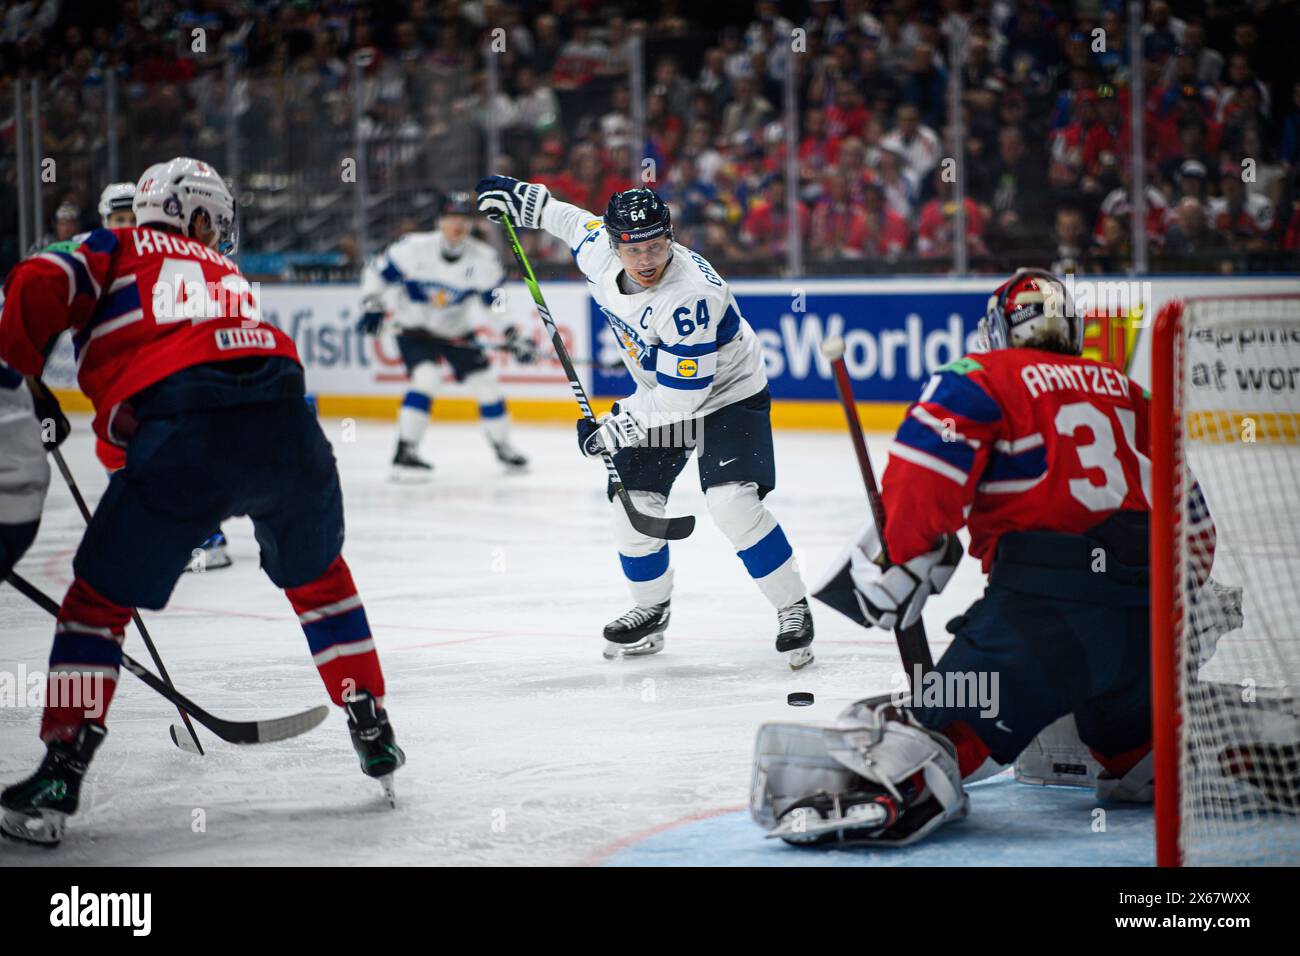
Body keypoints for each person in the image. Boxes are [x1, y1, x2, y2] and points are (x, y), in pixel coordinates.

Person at [0, 157, 403, 847]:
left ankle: (62, 768)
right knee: (318, 576)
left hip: (185, 430)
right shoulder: (227, 274)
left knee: (98, 603)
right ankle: (370, 718)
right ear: (195, 217)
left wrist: (16, 372)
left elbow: (38, 278)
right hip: (288, 424)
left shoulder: (114, 245)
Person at [751, 269, 1219, 845]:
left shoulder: (979, 375)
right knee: (1134, 742)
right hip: (1153, 636)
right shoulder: (1133, 392)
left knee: (933, 730)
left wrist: (902, 559)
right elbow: (1196, 529)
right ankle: (1150, 750)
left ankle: (905, 784)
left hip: (1044, 621)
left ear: (999, 329)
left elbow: (925, 481)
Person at [475, 178, 814, 668]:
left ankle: (792, 607)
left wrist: (616, 427)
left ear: (671, 237)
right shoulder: (599, 250)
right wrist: (521, 197)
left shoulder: (688, 297)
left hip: (726, 398)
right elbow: (570, 221)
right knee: (632, 502)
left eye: (657, 246)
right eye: (634, 250)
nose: (647, 259)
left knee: (732, 503)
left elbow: (685, 398)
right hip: (661, 395)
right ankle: (651, 608)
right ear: (615, 247)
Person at [94, 180, 233, 570]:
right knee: (111, 448)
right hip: (130, 384)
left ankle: (206, 535)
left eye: (131, 218)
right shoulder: (97, 265)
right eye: (117, 219)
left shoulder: (169, 263)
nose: (125, 226)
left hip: (173, 378)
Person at [356, 192, 537, 479]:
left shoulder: (483, 258)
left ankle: (503, 446)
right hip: (415, 331)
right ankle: (406, 450)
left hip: (456, 333)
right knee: (427, 378)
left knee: (487, 385)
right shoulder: (412, 248)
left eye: (464, 218)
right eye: (452, 217)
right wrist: (372, 303)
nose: (458, 224)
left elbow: (497, 304)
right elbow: (376, 275)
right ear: (440, 221)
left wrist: (513, 334)